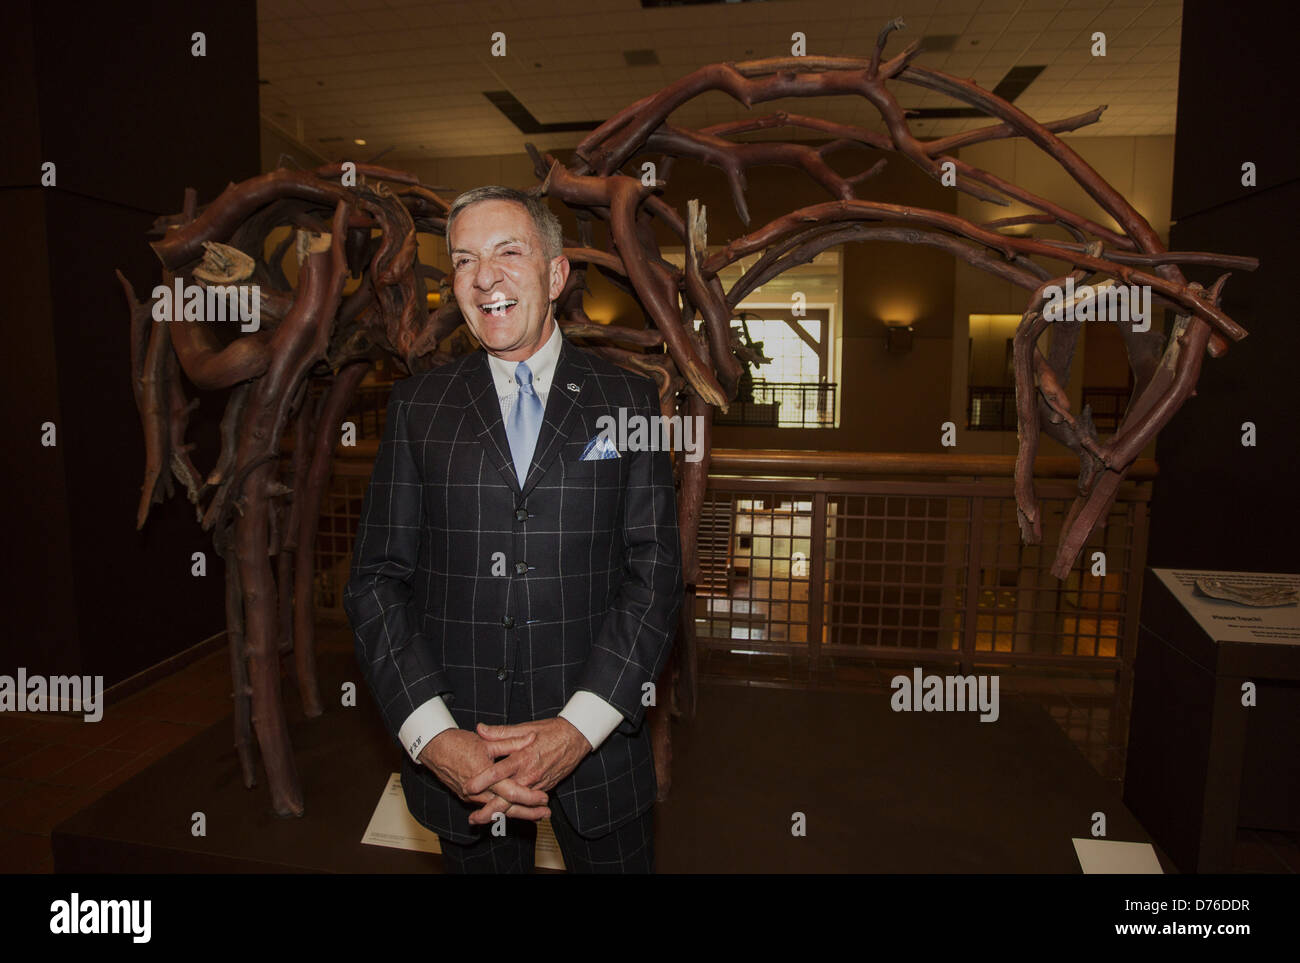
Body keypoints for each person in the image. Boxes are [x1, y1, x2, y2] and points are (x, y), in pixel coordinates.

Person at [344, 185, 683, 873]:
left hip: (598, 761)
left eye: (508, 252)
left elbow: (655, 575)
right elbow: (376, 582)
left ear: (555, 275)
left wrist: (578, 727)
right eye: (464, 260)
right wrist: (436, 737)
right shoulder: (418, 408)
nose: (485, 276)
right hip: (468, 765)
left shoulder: (628, 400)